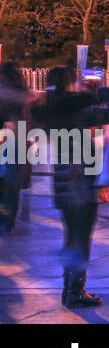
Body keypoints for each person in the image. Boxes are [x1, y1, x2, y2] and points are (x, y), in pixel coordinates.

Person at [30, 66, 109, 308]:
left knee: (71, 234)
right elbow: (108, 115)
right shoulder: (79, 108)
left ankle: (69, 289)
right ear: (69, 83)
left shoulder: (46, 108)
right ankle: (76, 291)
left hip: (62, 176)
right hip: (82, 175)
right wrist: (101, 90)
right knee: (82, 235)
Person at [0, 62, 35, 232]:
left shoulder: (8, 94)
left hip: (11, 141)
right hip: (18, 142)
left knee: (7, 182)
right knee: (12, 183)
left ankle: (7, 217)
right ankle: (9, 219)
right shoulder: (25, 95)